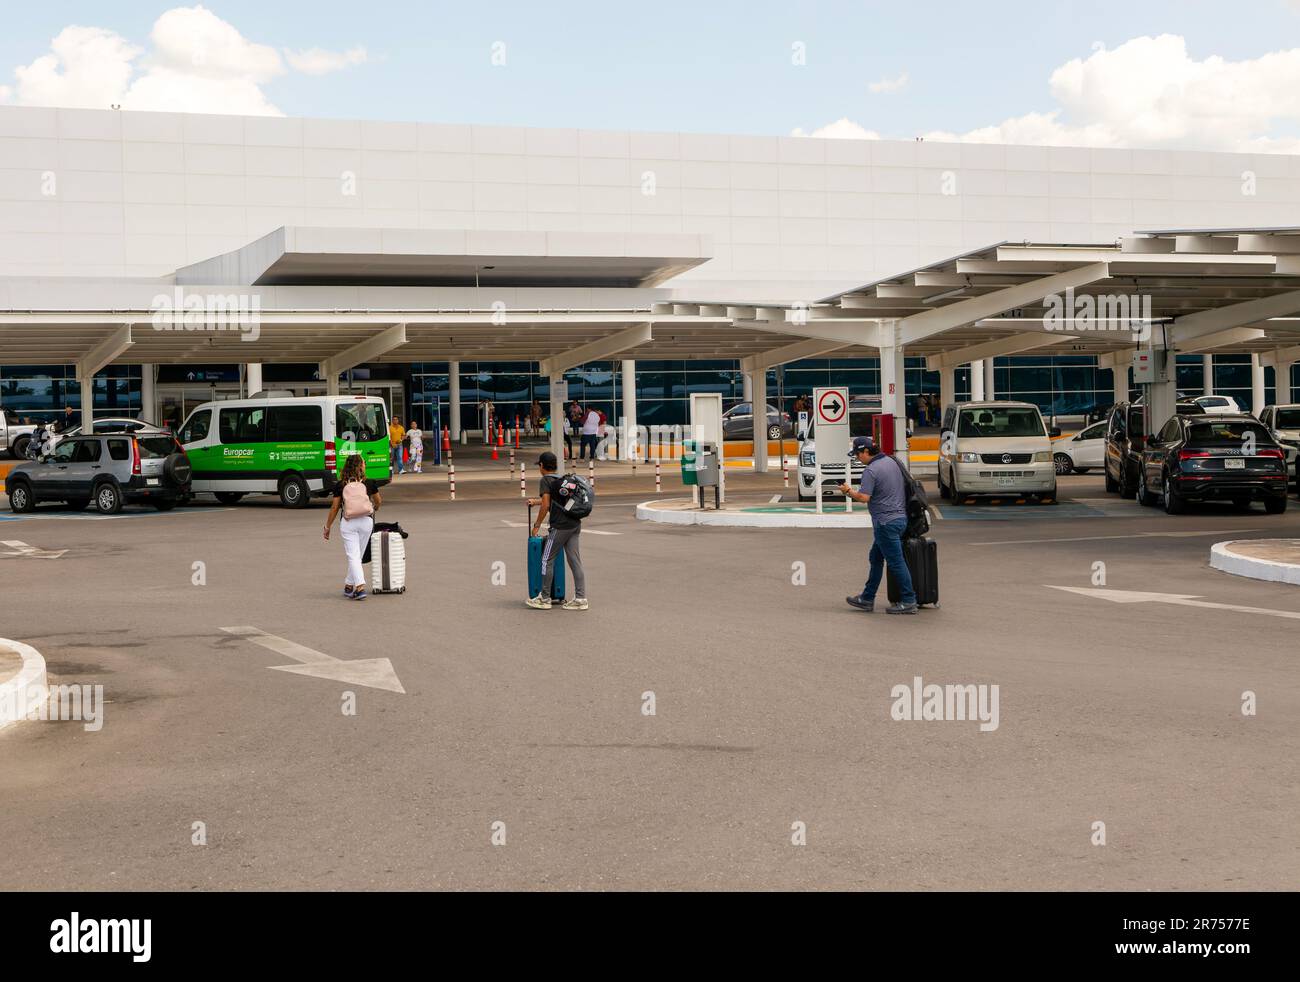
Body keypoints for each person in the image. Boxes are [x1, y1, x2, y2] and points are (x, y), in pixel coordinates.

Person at [839, 436, 917, 615]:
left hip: (885, 523)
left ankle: (909, 600)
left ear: (866, 451)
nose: (858, 458)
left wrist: (848, 491)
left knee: (896, 562)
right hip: (900, 519)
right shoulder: (892, 461)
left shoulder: (871, 470)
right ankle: (867, 598)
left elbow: (864, 498)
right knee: (875, 557)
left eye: (858, 454)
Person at [525, 451, 588, 610]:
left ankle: (544, 598)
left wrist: (537, 525)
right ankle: (581, 599)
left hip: (560, 526)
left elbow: (547, 505)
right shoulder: (561, 480)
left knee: (547, 559)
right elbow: (552, 501)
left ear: (541, 466)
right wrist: (536, 501)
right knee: (575, 561)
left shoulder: (545, 480)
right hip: (574, 524)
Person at [323, 454, 382, 601]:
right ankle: (349, 586)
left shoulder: (341, 484)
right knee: (357, 556)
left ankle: (360, 587)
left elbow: (335, 507)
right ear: (361, 466)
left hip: (348, 523)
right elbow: (378, 501)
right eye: (364, 462)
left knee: (353, 556)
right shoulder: (369, 482)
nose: (365, 464)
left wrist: (327, 526)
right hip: (366, 522)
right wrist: (374, 507)